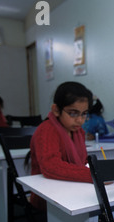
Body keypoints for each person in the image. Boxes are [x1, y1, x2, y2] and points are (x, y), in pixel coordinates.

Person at [29, 82, 93, 210]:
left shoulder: (78, 131)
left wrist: (96, 168)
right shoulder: (47, 130)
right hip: (49, 194)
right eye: (73, 113)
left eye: (84, 113)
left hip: (73, 188)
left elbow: (83, 160)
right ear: (56, 110)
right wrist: (93, 175)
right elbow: (51, 166)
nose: (80, 120)